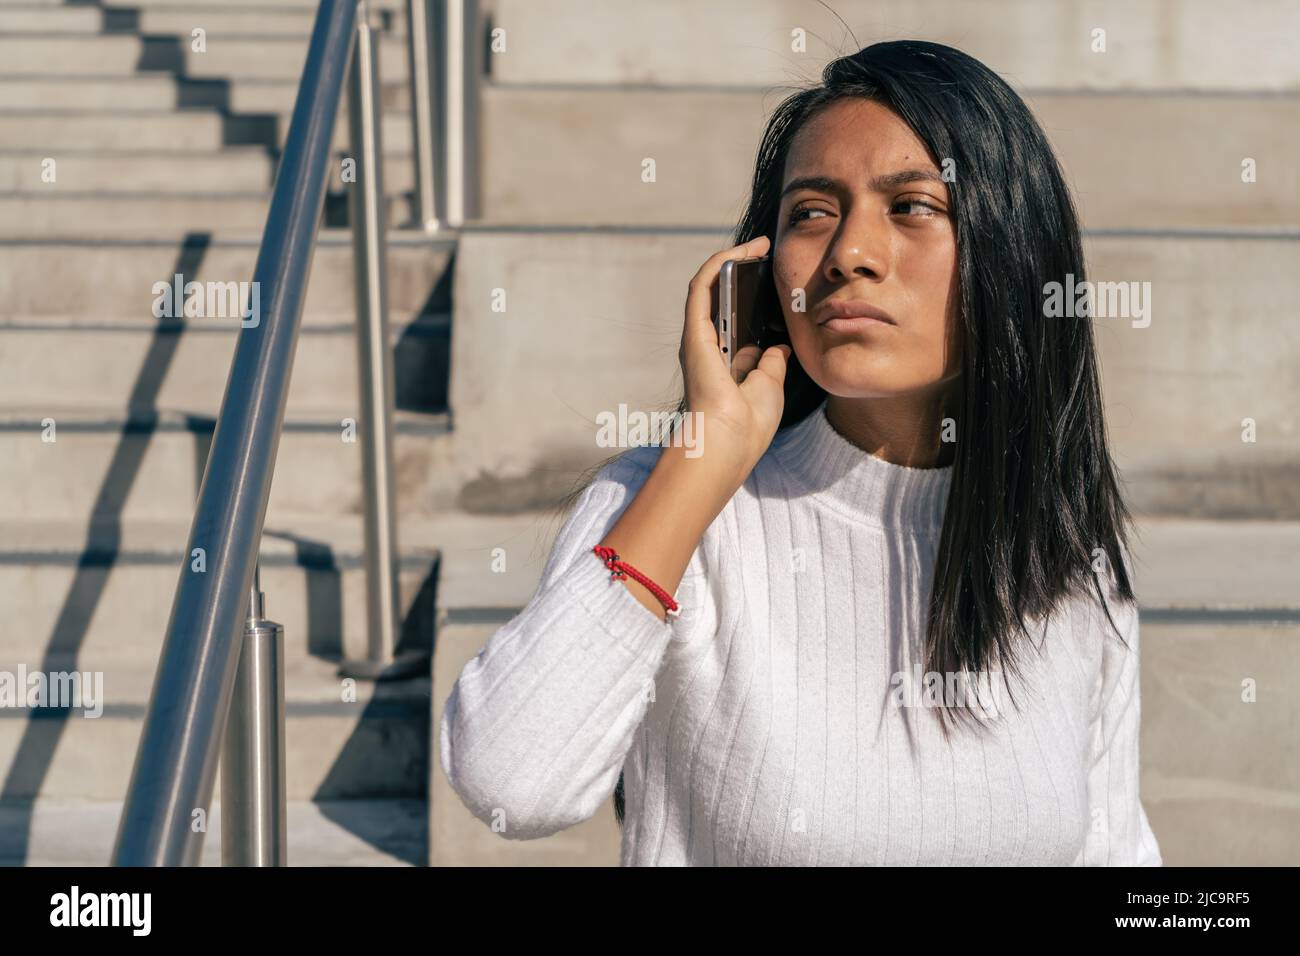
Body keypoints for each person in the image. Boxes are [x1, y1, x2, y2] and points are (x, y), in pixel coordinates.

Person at [439, 39, 1163, 866]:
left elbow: (1116, 857)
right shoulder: (671, 507)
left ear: (1011, 250)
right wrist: (703, 465)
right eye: (812, 212)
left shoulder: (1070, 561)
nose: (849, 254)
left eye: (913, 207)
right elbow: (509, 784)